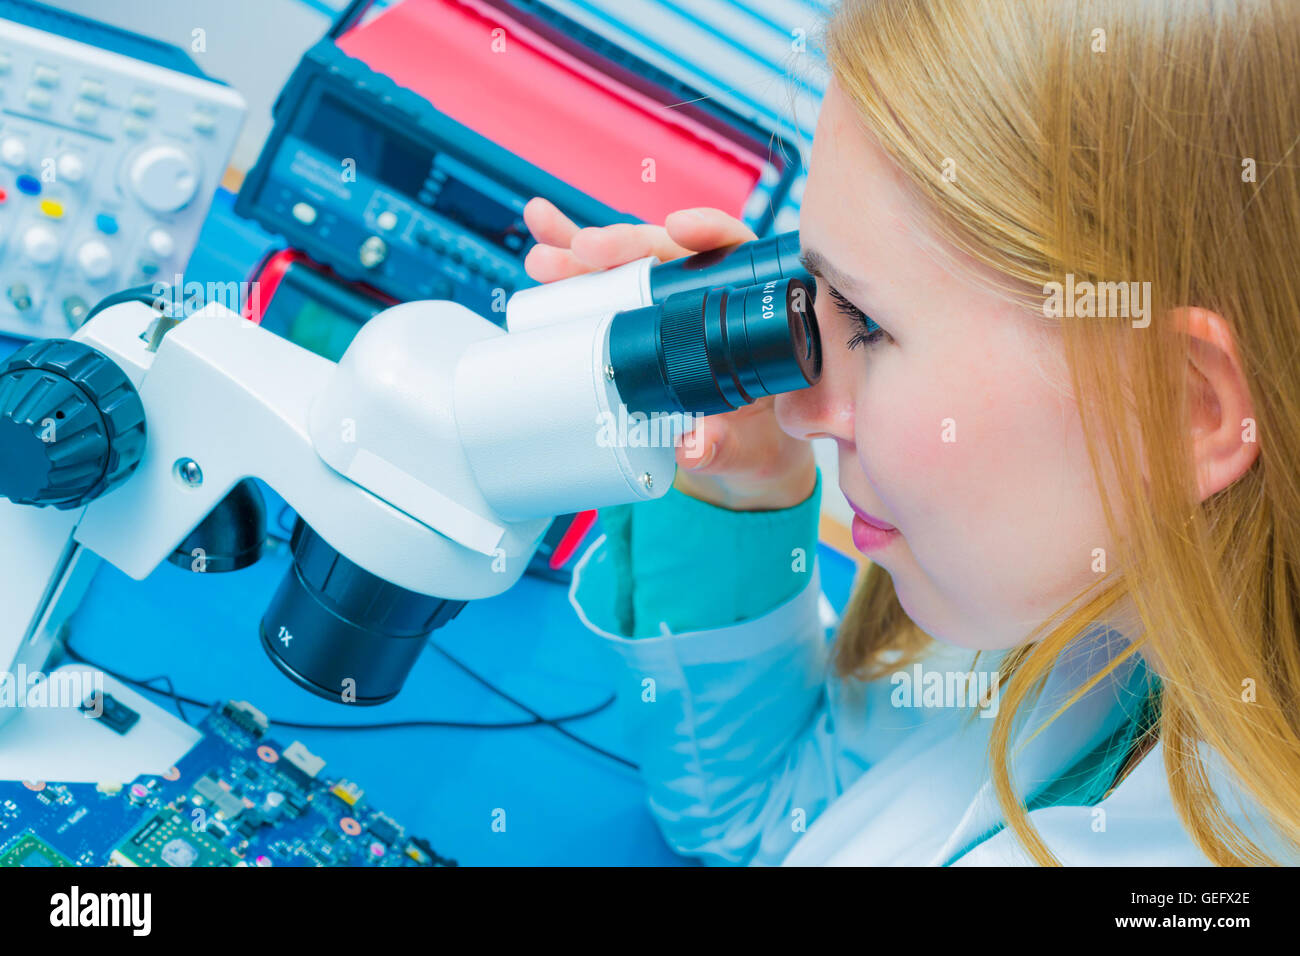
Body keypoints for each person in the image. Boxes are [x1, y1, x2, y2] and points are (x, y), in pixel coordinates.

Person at [522, 0, 1300, 866]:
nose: (801, 404)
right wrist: (744, 482)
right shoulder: (1087, 594)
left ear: (1179, 409)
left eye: (865, 322)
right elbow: (771, 819)